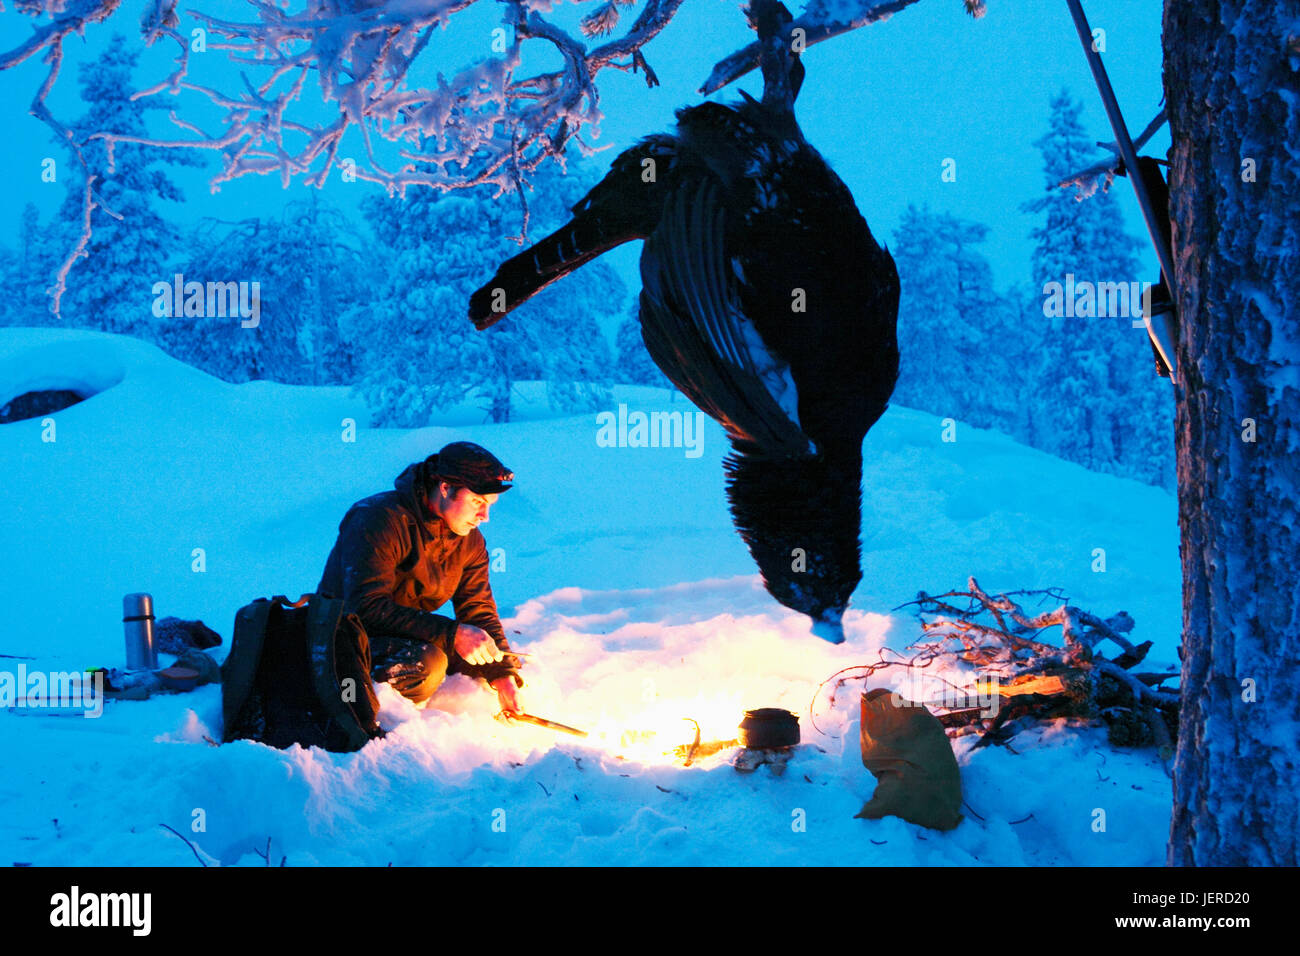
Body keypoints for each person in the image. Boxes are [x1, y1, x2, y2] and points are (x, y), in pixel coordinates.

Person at [317, 441, 523, 715]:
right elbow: (365, 607)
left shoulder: (468, 541)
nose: (484, 516)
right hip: (344, 639)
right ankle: (376, 716)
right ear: (445, 488)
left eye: (489, 505)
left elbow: (478, 610)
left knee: (481, 658)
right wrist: (451, 634)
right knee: (428, 663)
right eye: (477, 502)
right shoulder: (379, 519)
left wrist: (501, 671)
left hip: (406, 635)